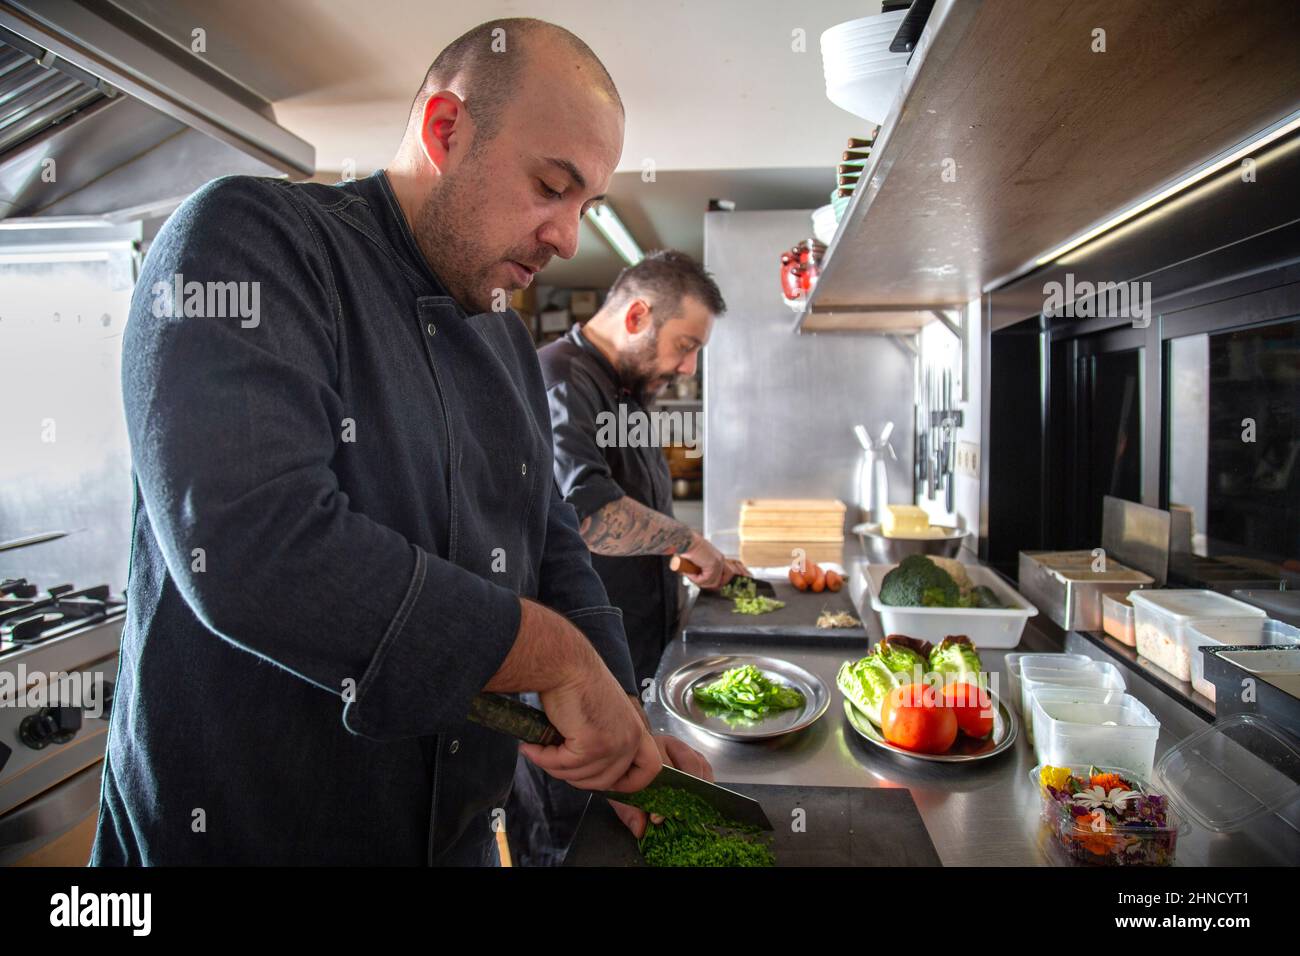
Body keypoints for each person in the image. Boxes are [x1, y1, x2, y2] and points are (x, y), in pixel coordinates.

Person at [92, 17, 710, 867]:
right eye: (549, 185)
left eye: (585, 206)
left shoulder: (502, 339)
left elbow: (556, 546)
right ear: (445, 131)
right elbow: (254, 550)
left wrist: (620, 729)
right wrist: (556, 659)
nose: (567, 237)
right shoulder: (251, 241)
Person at [507, 250, 744, 865]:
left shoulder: (626, 389)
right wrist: (689, 542)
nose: (688, 365)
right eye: (685, 345)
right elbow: (588, 516)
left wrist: (684, 562)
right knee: (572, 844)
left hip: (626, 662)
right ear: (638, 314)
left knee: (630, 838)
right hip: (569, 685)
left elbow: (635, 512)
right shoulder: (561, 379)